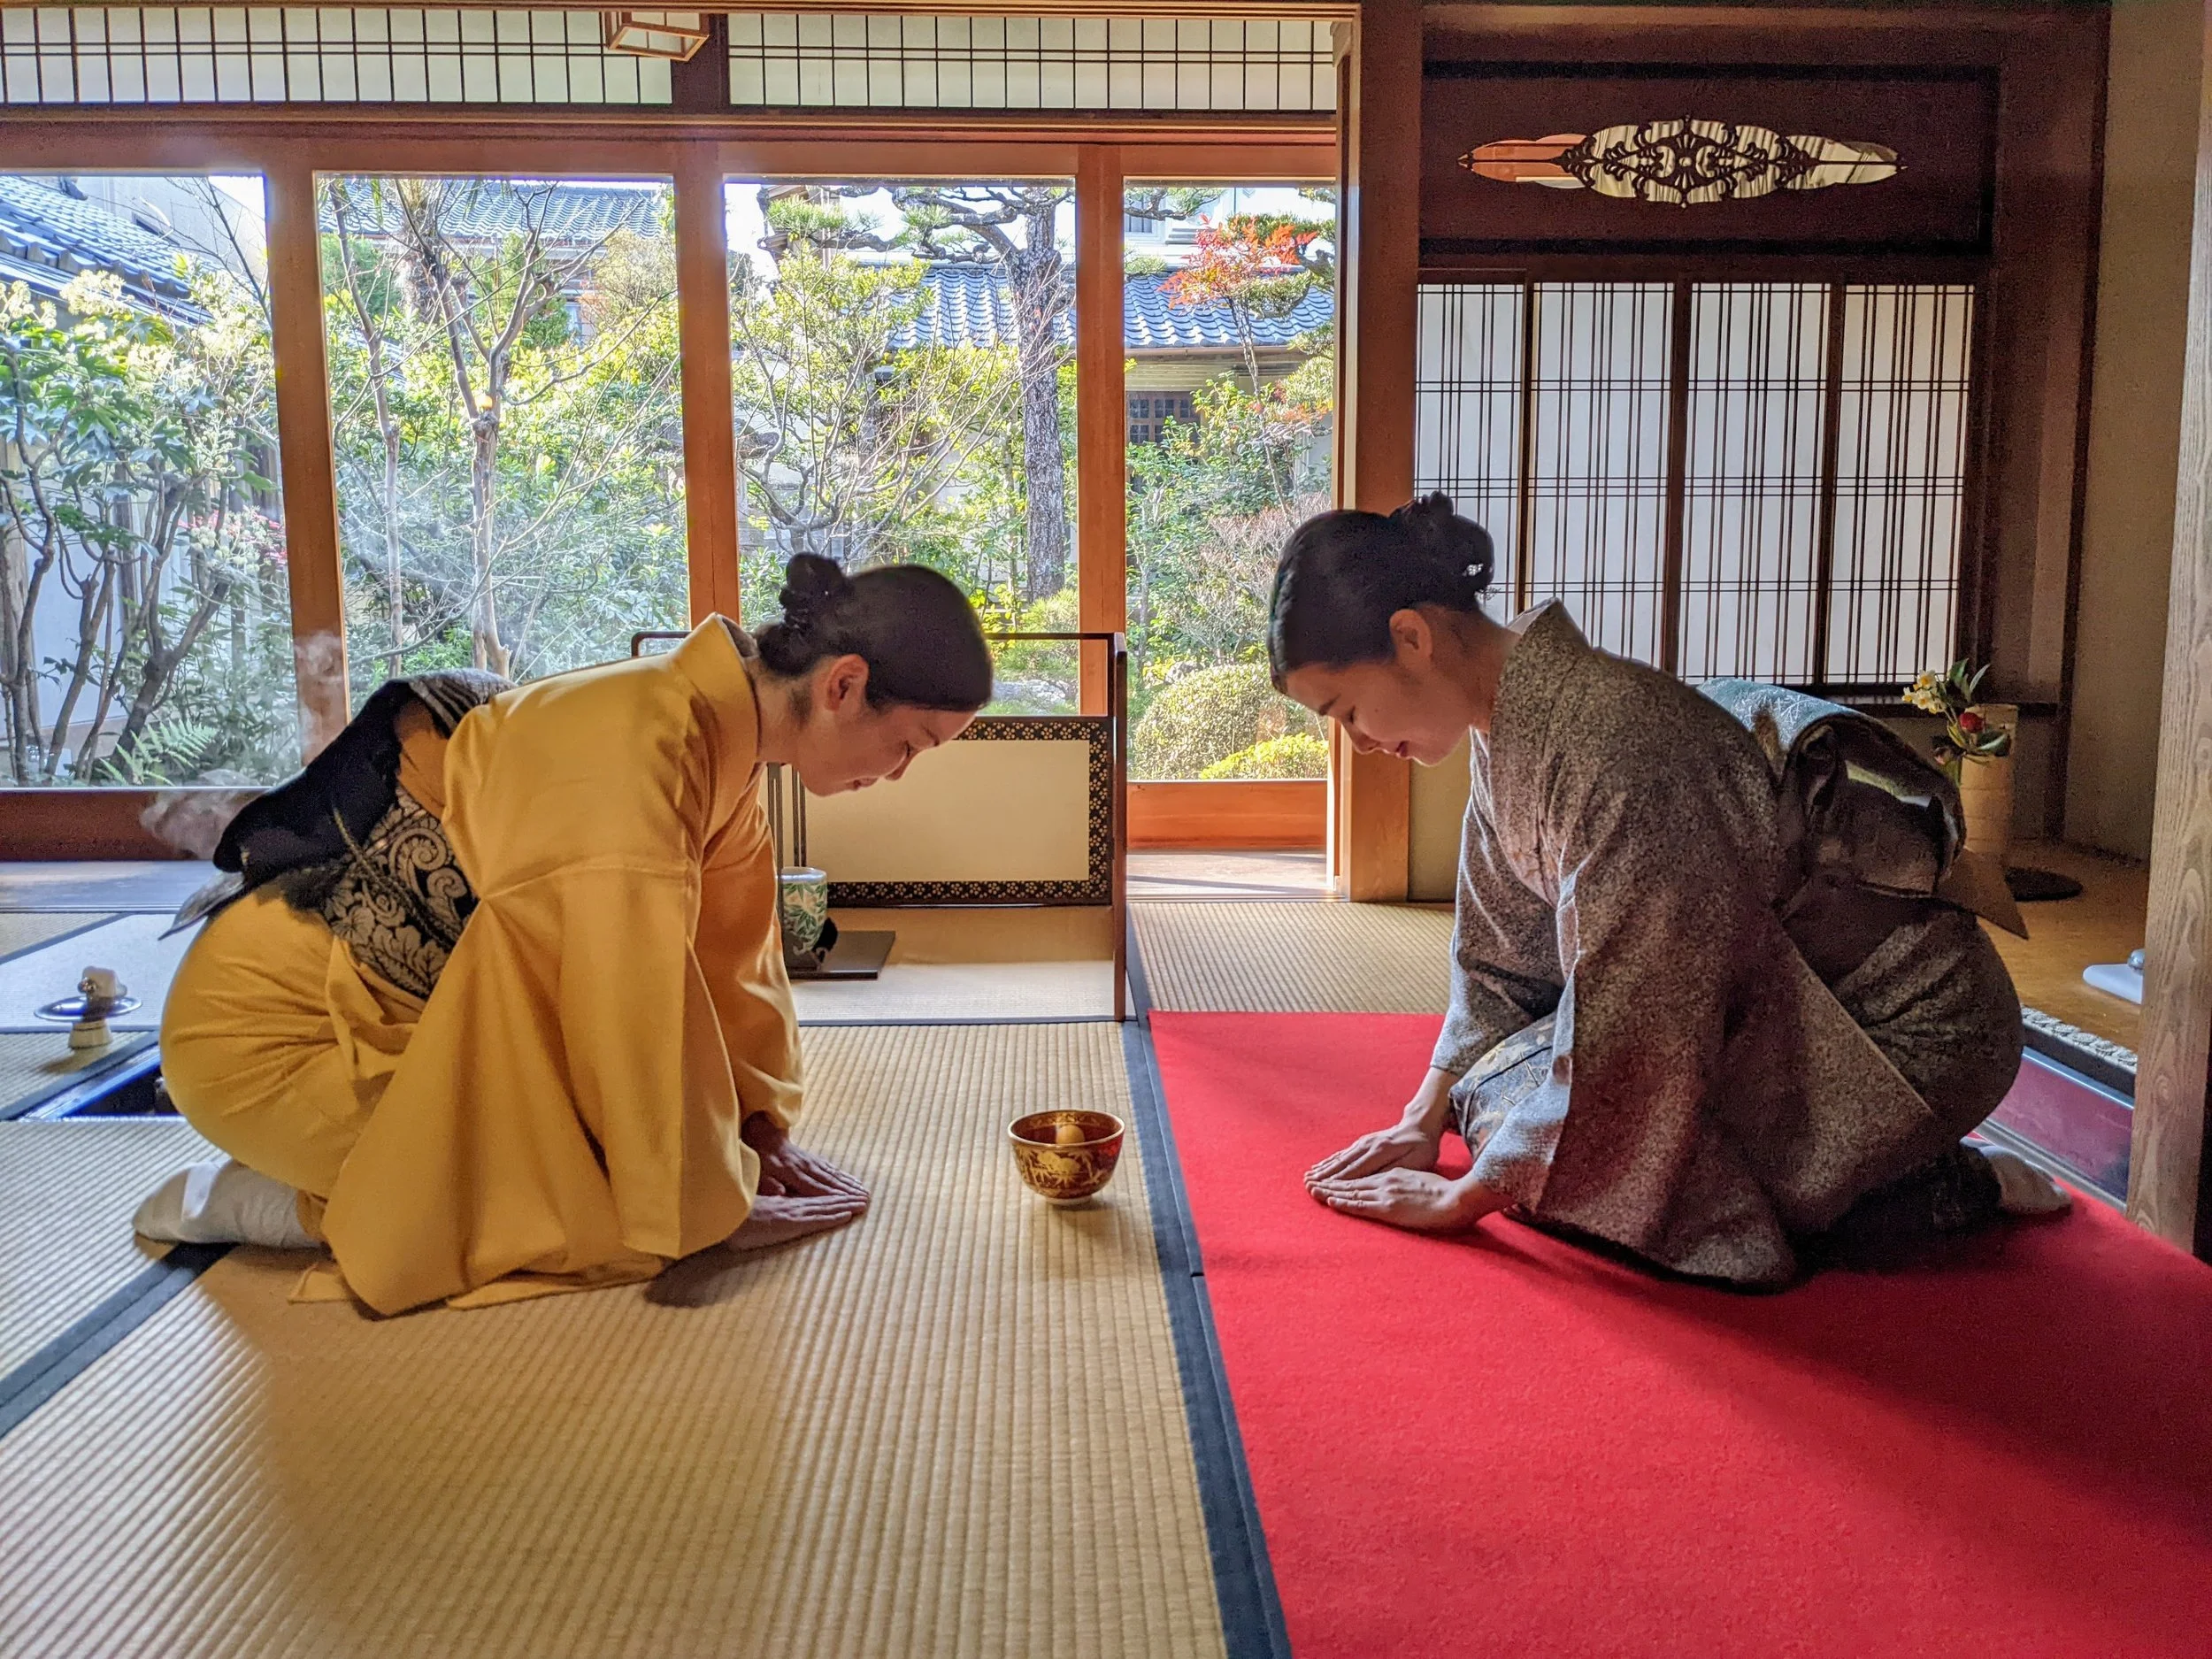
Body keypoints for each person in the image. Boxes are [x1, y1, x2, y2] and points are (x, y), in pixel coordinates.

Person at [136, 556, 992, 1314]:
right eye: (909, 744)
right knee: (585, 1215)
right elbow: (626, 1008)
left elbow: (729, 966)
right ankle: (256, 1203)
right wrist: (708, 1202)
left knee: (600, 1176)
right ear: (843, 684)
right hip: (275, 1031)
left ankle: (349, 1173)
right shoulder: (646, 743)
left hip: (411, 1018)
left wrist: (758, 1129)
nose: (899, 773)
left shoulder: (717, 741)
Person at [1274, 495, 2069, 1286]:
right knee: (1495, 1096)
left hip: (1894, 1033)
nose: (1360, 743)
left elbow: (1636, 1030)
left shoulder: (1621, 745)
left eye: (1346, 711)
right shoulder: (1504, 726)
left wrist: (1463, 1200)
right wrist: (1422, 1120)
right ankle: (1826, 1183)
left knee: (1617, 1176)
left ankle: (1933, 1183)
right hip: (1762, 1009)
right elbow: (1498, 963)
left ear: (1411, 636)